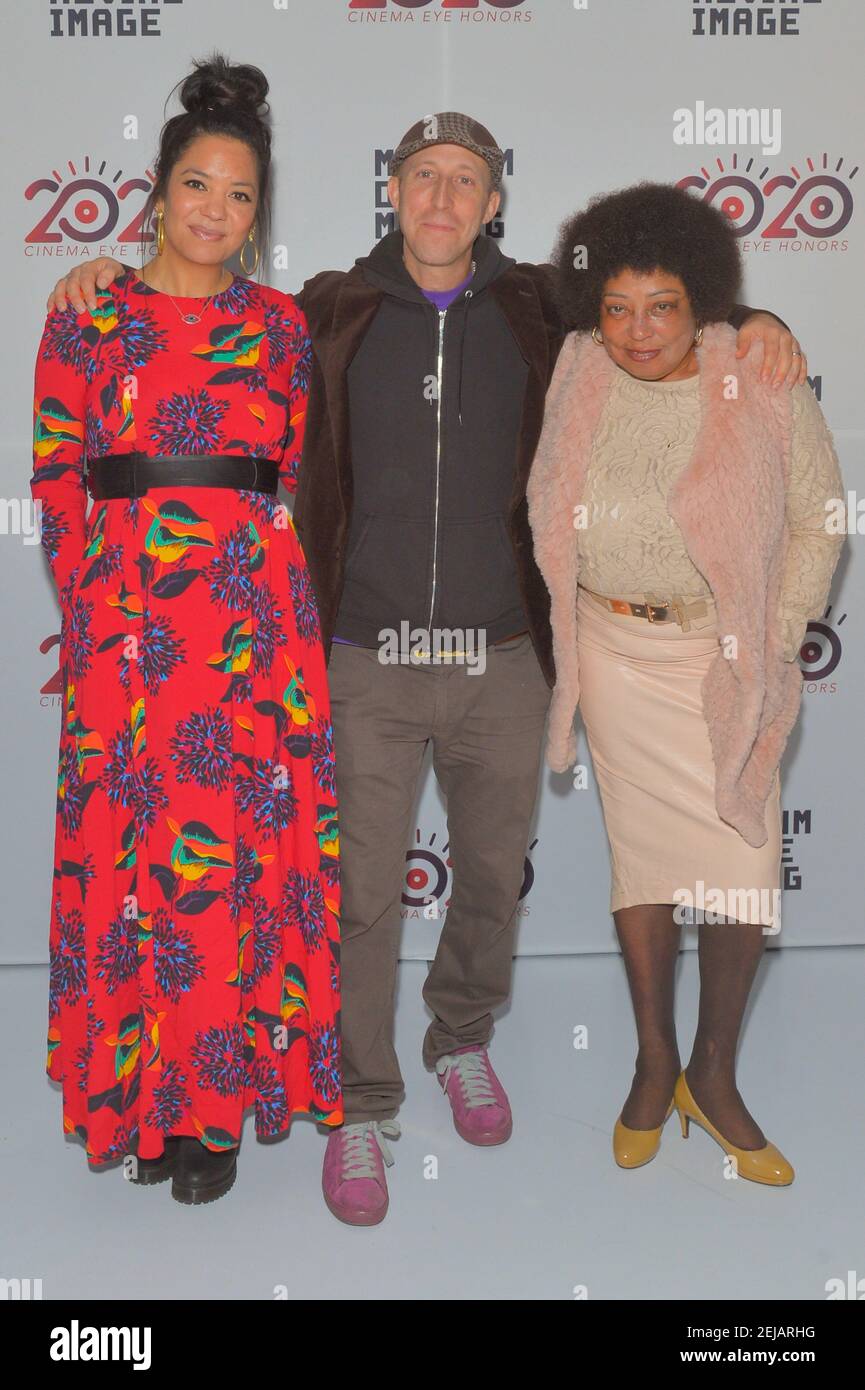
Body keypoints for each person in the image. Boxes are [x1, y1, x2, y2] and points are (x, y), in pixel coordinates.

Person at [47, 115, 806, 1224]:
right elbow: (180, 309)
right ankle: (359, 1101)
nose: (443, 199)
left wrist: (762, 317)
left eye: (467, 181)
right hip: (361, 652)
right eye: (423, 178)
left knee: (491, 878)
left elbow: (660, 309)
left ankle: (461, 1041)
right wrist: (101, 267)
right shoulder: (324, 310)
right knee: (353, 895)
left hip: (503, 652)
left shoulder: (544, 302)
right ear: (390, 190)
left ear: (495, 200)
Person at [32, 54, 341, 1205]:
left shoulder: (278, 326)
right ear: (157, 192)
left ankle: (210, 1103)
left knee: (231, 864)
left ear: (259, 215)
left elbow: (282, 477)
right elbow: (58, 477)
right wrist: (102, 611)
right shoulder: (85, 313)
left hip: (254, 640)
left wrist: (259, 611)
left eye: (241, 194)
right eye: (198, 186)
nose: (217, 210)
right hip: (129, 640)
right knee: (132, 865)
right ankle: (136, 1097)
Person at [527, 182, 843, 1186]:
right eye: (616, 305)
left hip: (726, 662)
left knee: (741, 864)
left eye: (660, 303)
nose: (636, 328)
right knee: (645, 867)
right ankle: (653, 1055)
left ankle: (714, 1070)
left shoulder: (754, 367)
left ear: (699, 299)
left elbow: (818, 518)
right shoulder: (577, 364)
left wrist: (778, 629)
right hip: (613, 653)